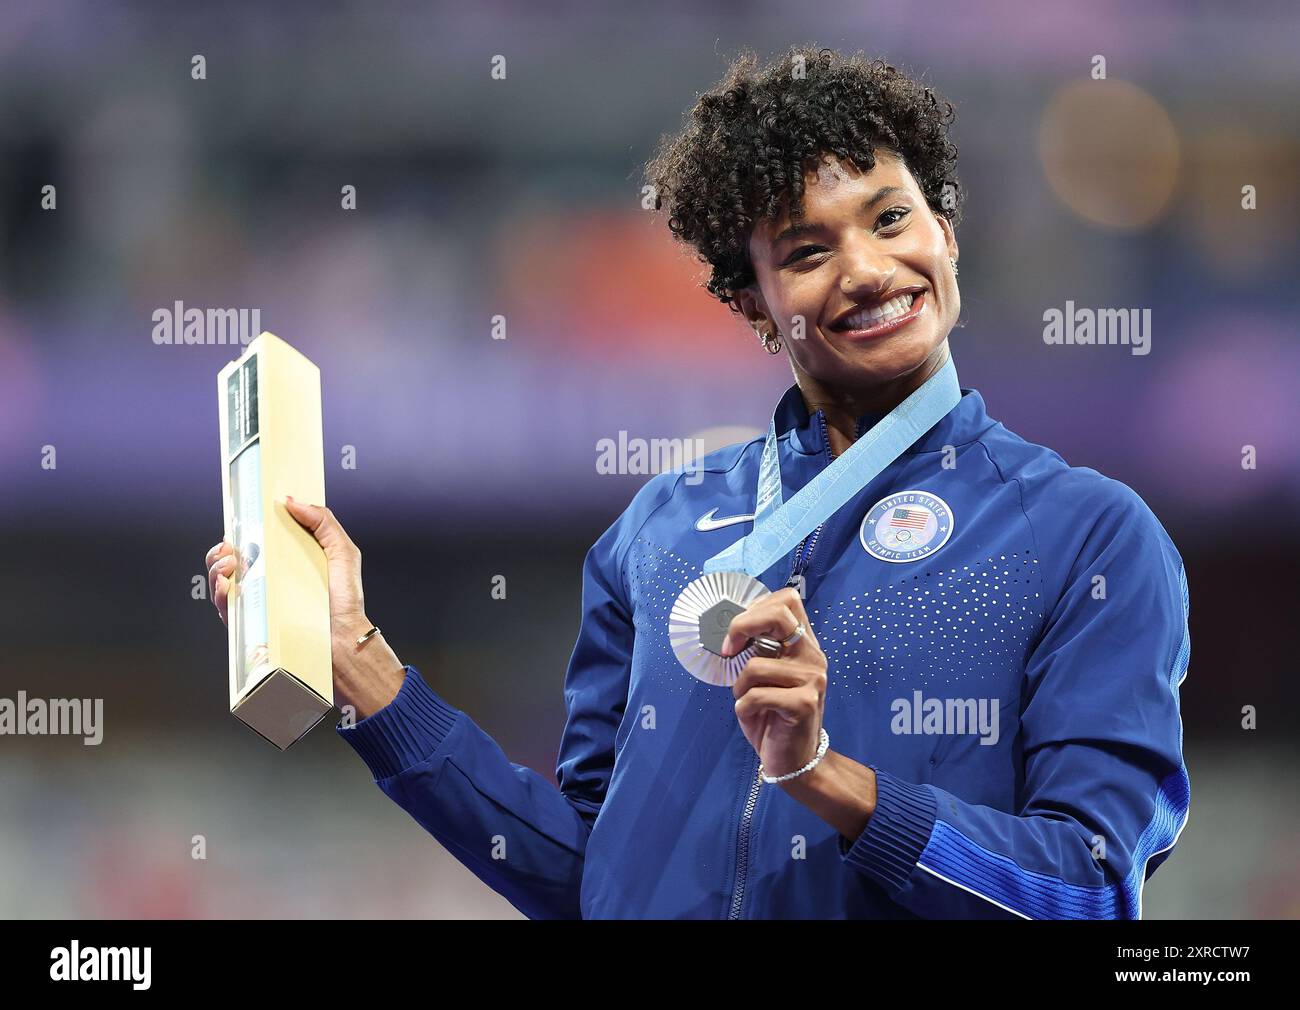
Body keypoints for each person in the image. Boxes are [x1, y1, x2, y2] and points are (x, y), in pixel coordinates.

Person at [204, 45, 1190, 919]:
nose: (867, 268)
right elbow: (583, 874)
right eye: (806, 251)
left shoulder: (1088, 537)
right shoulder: (659, 527)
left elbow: (1089, 884)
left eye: (891, 217)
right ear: (754, 305)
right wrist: (364, 670)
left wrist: (826, 778)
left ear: (946, 233)